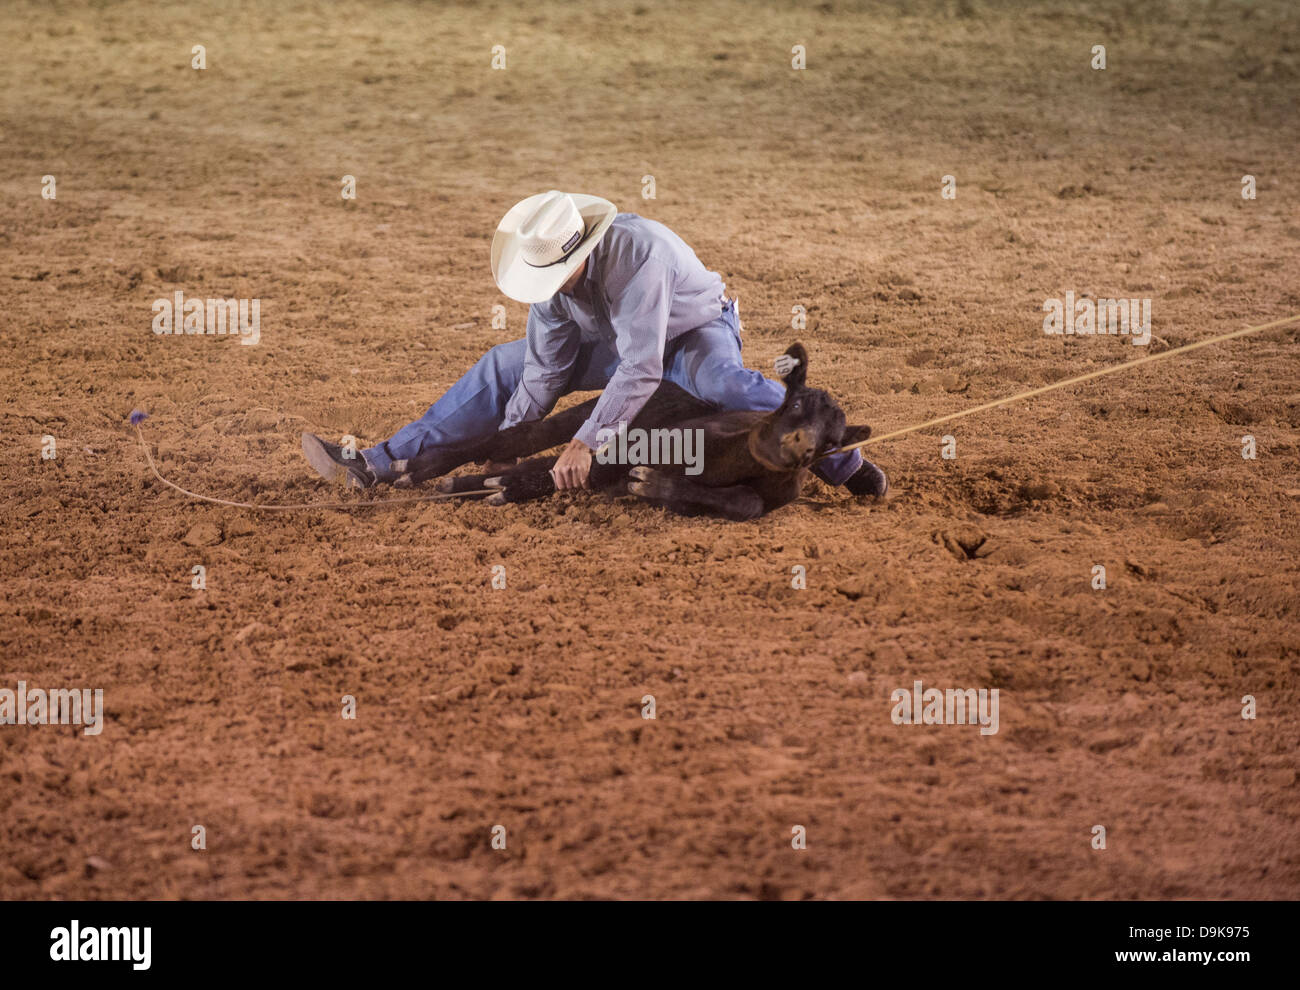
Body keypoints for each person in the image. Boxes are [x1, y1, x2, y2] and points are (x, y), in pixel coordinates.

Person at [302, 190, 887, 496]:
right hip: (616, 339)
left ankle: (842, 460)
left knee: (721, 382)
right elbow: (542, 371)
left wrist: (585, 441)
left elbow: (642, 367)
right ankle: (379, 463)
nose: (545, 289)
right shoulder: (554, 288)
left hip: (691, 333)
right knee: (500, 366)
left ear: (580, 253)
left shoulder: (642, 257)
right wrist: (513, 439)